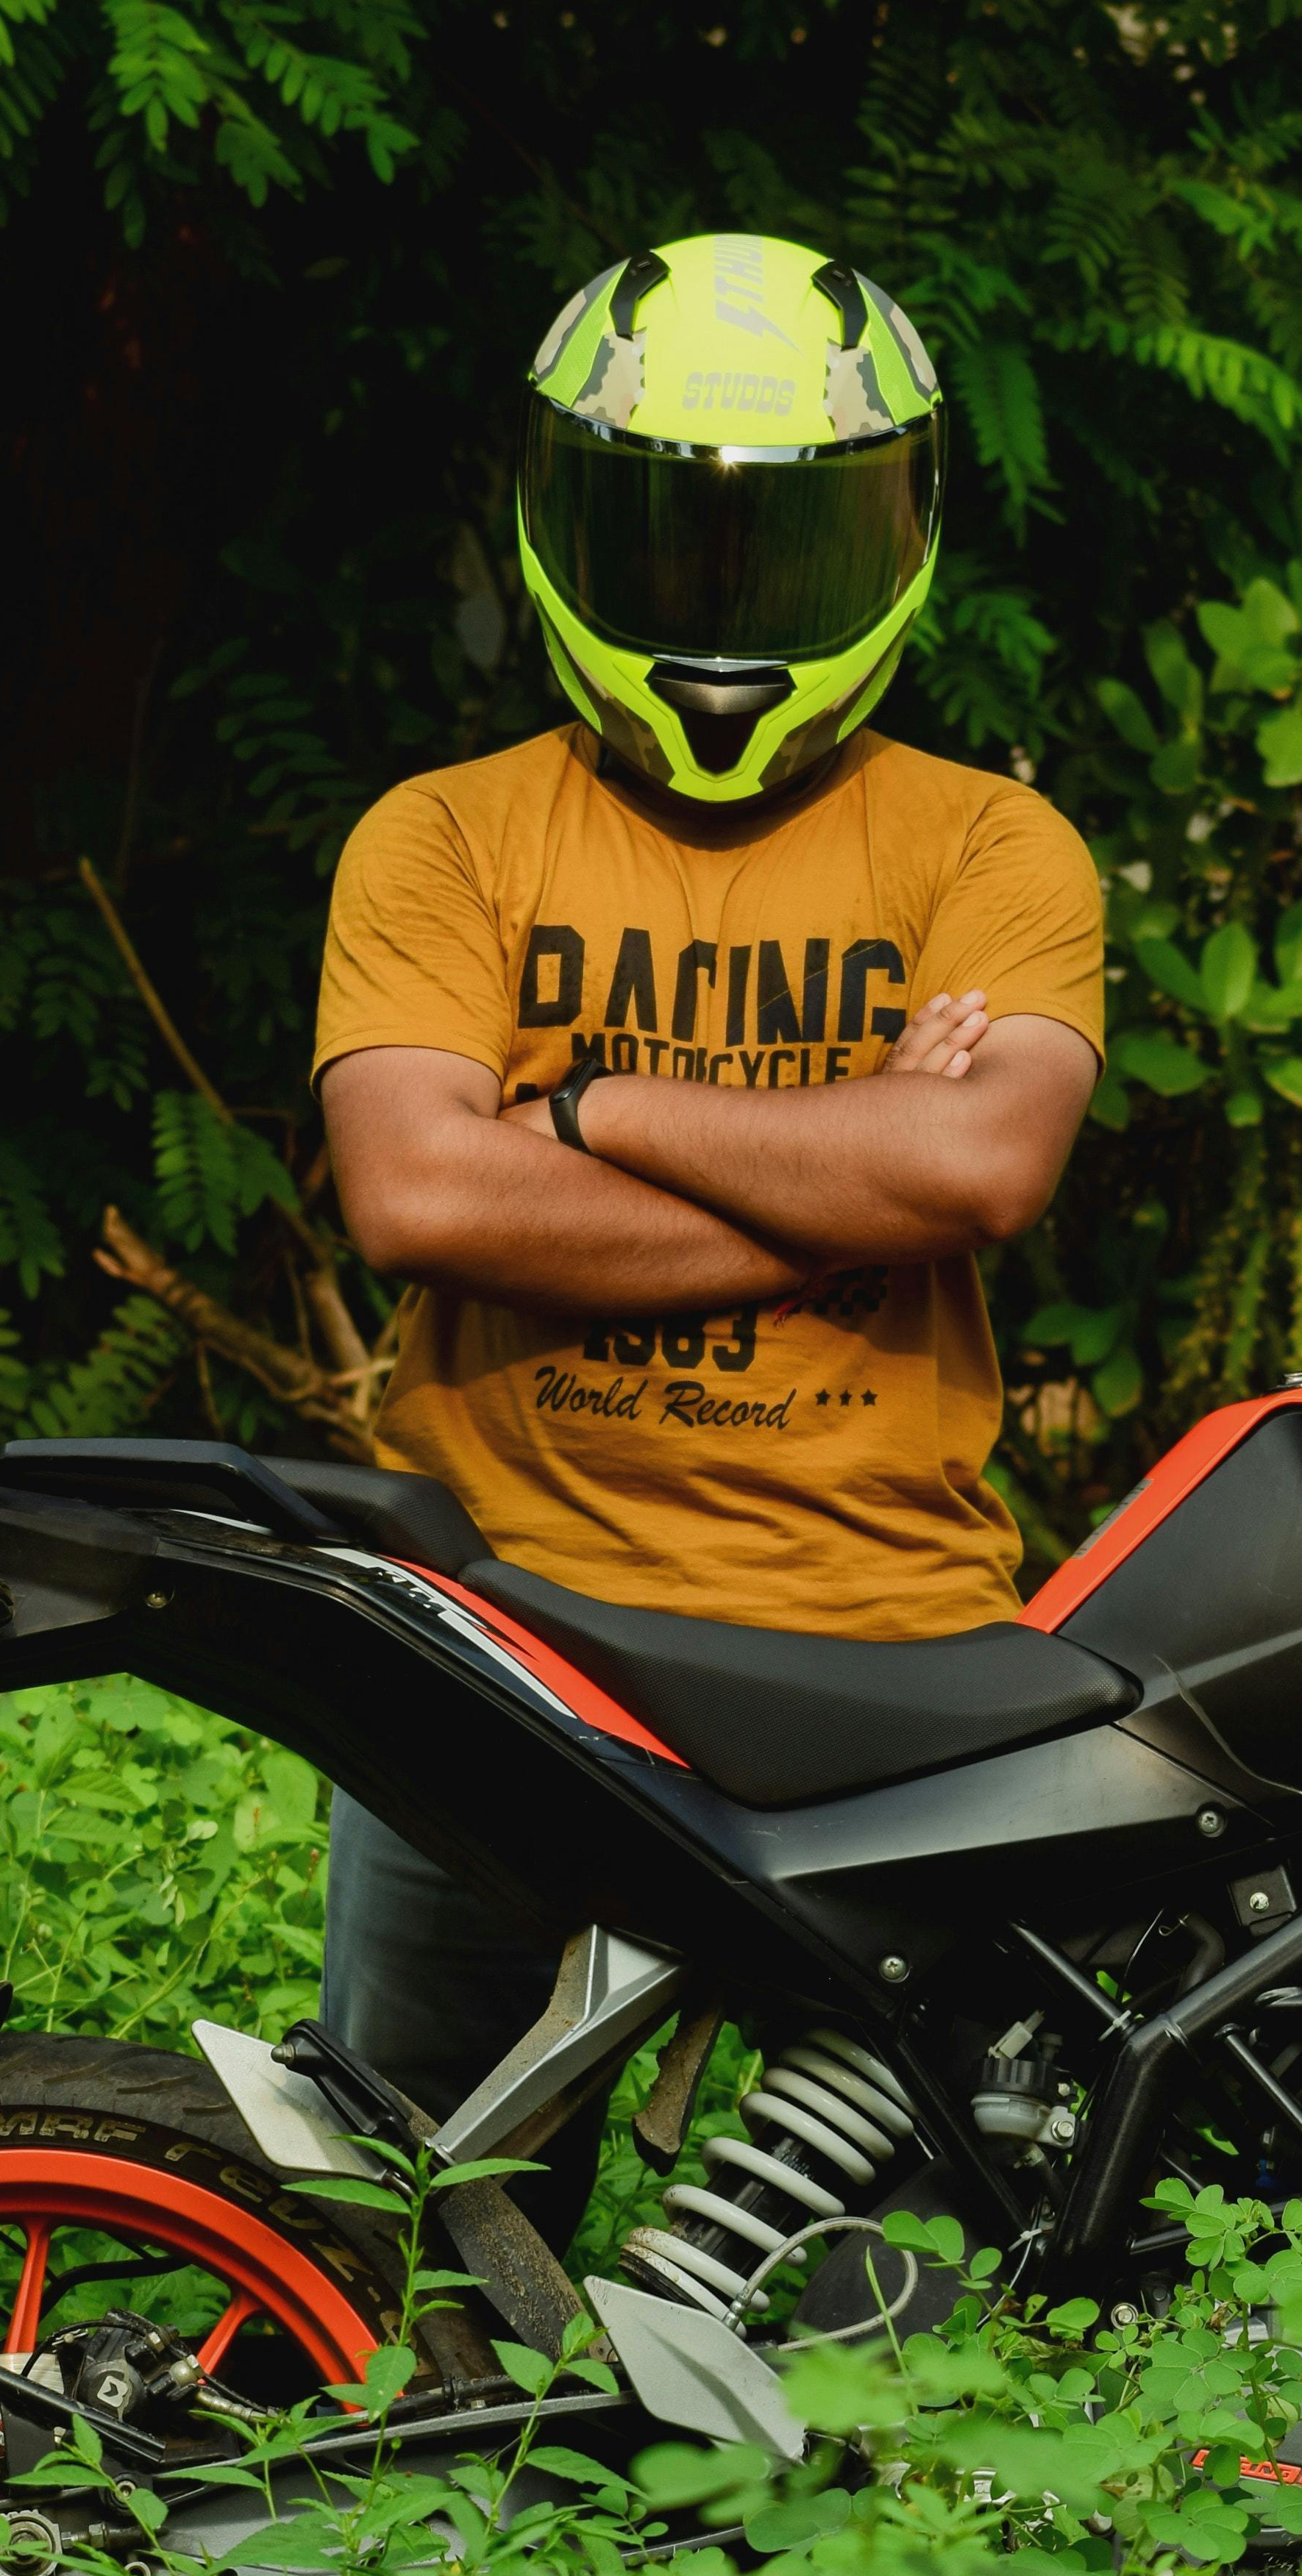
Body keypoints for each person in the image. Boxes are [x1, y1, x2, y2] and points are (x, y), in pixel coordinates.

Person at [306, 231, 1103, 2243]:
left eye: (782, 553)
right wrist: (850, 1169)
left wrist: (591, 1111)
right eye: (671, 545)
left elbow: (982, 1168)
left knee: (898, 2269)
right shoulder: (442, 835)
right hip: (494, 1638)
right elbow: (418, 1195)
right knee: (408, 2251)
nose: (724, 609)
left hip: (884, 1663)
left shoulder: (993, 845)